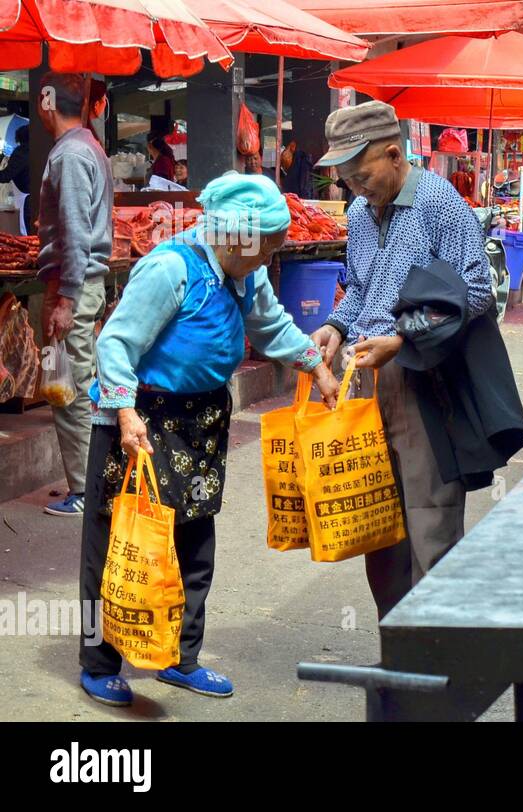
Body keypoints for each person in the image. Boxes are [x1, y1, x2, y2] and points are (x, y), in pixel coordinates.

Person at [77, 173, 340, 706]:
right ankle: (97, 659)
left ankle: (181, 658)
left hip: (199, 425)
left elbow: (270, 327)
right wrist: (125, 413)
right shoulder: (171, 269)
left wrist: (317, 367)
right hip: (140, 422)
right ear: (233, 234)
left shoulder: (245, 275)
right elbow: (116, 344)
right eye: (266, 245)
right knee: (114, 546)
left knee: (193, 546)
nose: (270, 257)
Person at [310, 101, 498, 619]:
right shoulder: (358, 213)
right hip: (365, 379)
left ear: (394, 154)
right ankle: (397, 655)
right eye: (345, 179)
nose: (354, 187)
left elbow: (481, 291)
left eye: (361, 174)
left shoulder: (441, 203)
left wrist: (404, 339)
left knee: (429, 521)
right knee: (380, 525)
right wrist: (338, 324)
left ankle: (437, 663)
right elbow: (363, 289)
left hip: (422, 379)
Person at [35, 73, 113, 518]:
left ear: (47, 103)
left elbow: (76, 231)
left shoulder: (69, 155)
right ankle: (90, 480)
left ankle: (86, 490)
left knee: (69, 388)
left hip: (71, 288)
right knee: (80, 383)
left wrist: (64, 299)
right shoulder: (90, 148)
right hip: (83, 285)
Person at [0, 124, 31, 235]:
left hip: (25, 197)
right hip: (31, 195)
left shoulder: (21, 152)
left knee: (25, 230)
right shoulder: (38, 148)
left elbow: (6, 175)